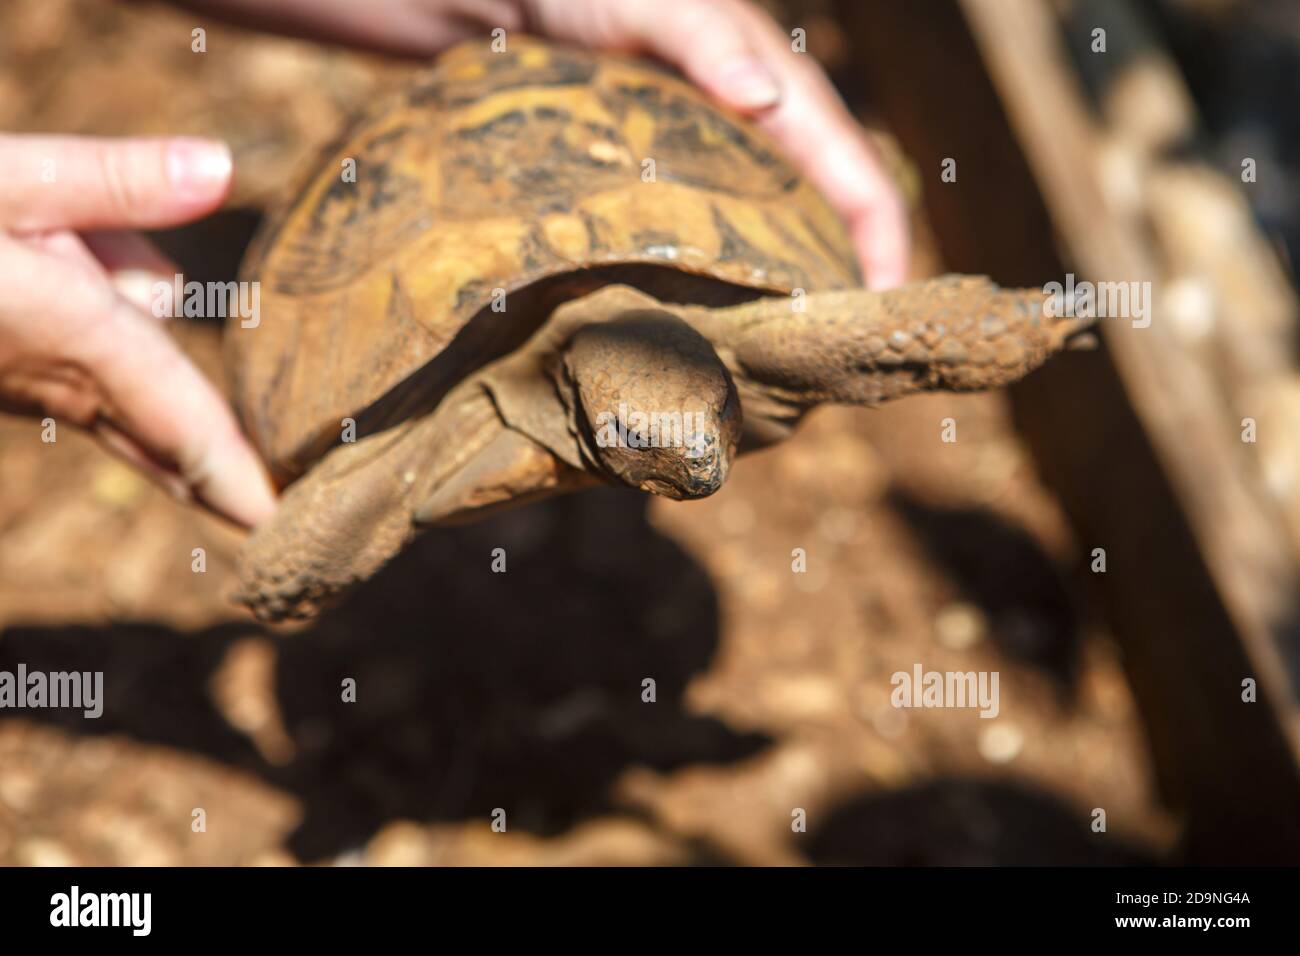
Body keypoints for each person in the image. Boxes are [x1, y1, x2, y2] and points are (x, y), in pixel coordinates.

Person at [0, 0, 908, 528]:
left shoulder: (709, 336)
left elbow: (851, 332)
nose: (700, 467)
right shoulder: (450, 391)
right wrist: (303, 555)